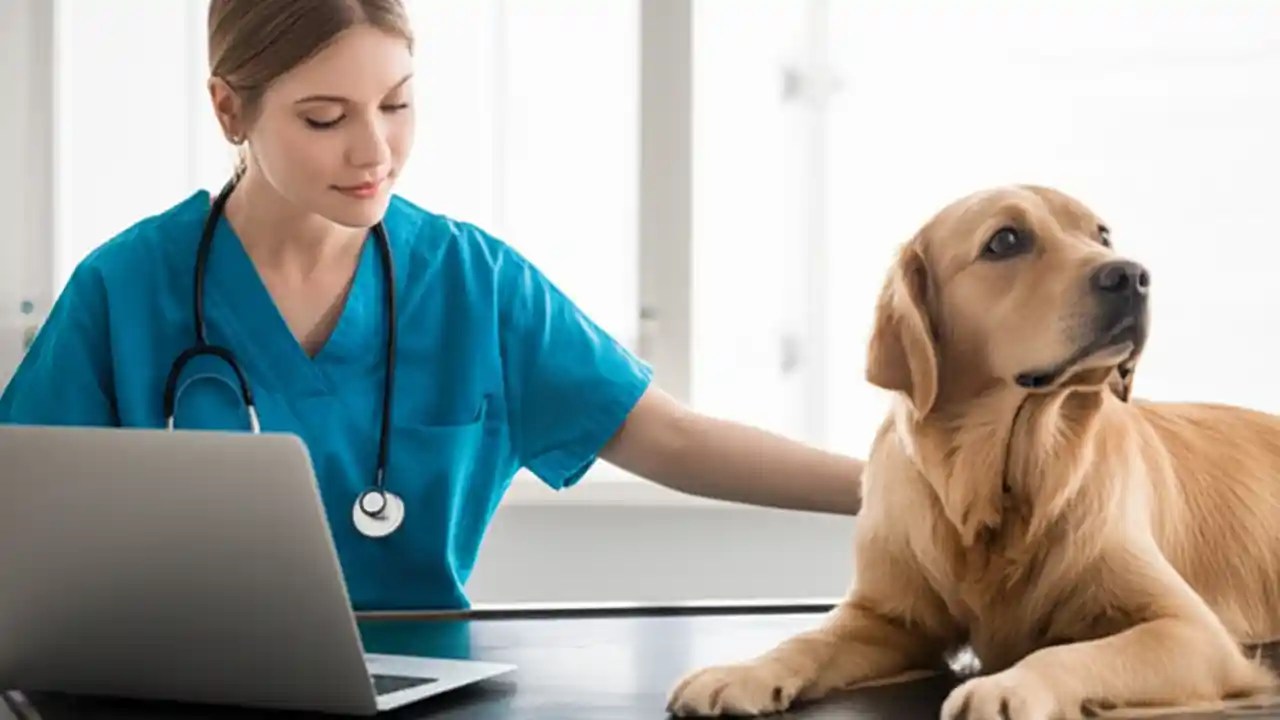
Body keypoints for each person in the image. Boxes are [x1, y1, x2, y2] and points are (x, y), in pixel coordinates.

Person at [0, 0, 864, 612]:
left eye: (397, 103)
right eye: (325, 117)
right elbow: (21, 515)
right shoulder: (125, 289)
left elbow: (671, 435)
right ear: (230, 107)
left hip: (426, 693)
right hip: (168, 693)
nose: (374, 149)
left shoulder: (472, 284)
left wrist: (904, 492)